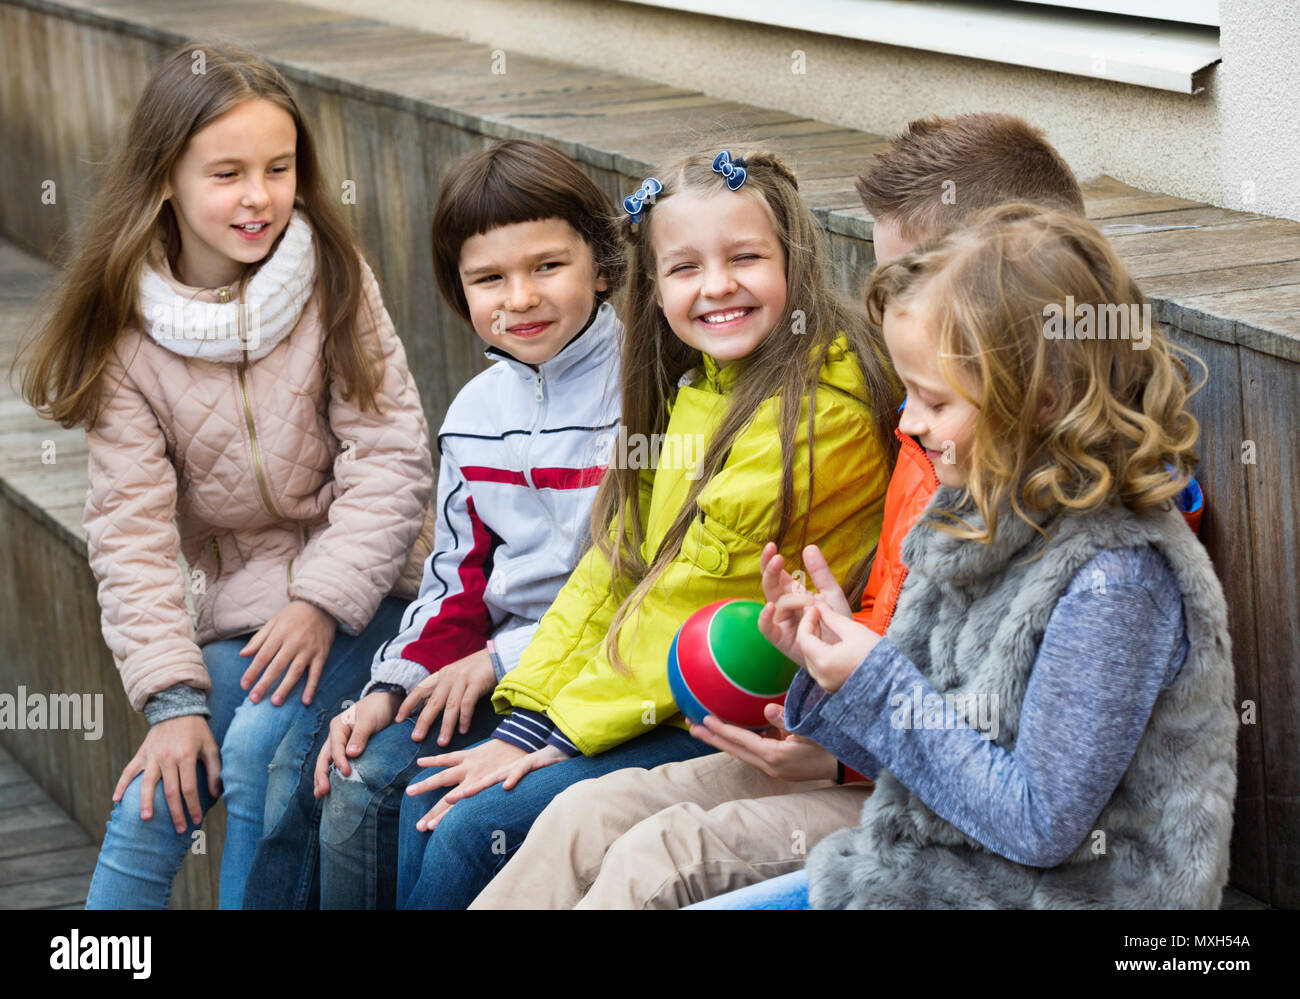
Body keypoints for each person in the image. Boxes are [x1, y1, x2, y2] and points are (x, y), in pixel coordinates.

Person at [471, 112, 1093, 910]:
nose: (885, 314)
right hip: (853, 755)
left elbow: (1027, 793)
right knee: (580, 819)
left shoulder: (1085, 536)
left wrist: (844, 736)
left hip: (938, 827)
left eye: (907, 282)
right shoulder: (928, 438)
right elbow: (886, 640)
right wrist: (826, 671)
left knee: (648, 858)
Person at [395, 146, 899, 909]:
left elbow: (679, 594)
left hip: (736, 703)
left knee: (473, 824)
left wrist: (547, 736)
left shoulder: (819, 411)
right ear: (653, 284)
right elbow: (615, 562)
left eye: (745, 257)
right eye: (686, 267)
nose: (717, 285)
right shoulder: (696, 383)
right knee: (421, 799)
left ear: (793, 259)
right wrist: (530, 706)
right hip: (660, 686)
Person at [695, 203, 1236, 909]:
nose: (907, 421)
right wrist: (836, 657)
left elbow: (1038, 822)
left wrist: (878, 681)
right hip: (922, 873)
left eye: (931, 399)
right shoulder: (971, 516)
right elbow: (924, 758)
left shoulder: (1116, 579)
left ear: (1039, 402)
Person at [15, 42, 434, 909]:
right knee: (156, 788)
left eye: (279, 168)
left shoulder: (333, 278)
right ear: (165, 177)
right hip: (243, 610)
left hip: (369, 591)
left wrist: (320, 600)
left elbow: (392, 457)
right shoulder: (129, 334)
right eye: (228, 172)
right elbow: (127, 533)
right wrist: (170, 699)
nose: (259, 196)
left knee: (256, 752)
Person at [240, 138, 627, 909]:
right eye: (489, 278)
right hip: (483, 665)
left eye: (547, 266)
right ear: (460, 291)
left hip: (593, 671)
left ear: (604, 266)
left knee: (393, 797)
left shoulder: (645, 396)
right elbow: (456, 581)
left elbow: (638, 581)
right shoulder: (476, 414)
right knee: (330, 762)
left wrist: (498, 659)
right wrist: (389, 685)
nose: (519, 298)